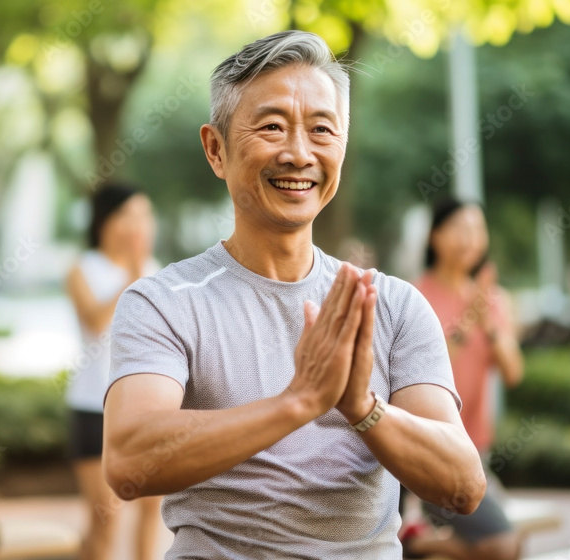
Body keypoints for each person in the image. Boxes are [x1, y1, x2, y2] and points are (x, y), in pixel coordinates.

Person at [102, 31, 486, 558]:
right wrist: (299, 402)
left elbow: (463, 486)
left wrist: (361, 406)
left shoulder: (393, 305)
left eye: (322, 129)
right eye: (272, 127)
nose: (299, 153)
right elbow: (128, 459)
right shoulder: (164, 302)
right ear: (216, 149)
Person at [406, 199, 525, 560]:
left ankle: (416, 543)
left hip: (477, 449)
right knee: (502, 544)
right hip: (433, 449)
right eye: (460, 229)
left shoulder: (494, 299)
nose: (470, 239)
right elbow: (425, 366)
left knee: (508, 542)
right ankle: (411, 544)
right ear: (435, 236)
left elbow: (514, 372)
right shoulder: (414, 296)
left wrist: (487, 322)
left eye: (477, 230)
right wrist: (466, 321)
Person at [65, 184, 163, 560]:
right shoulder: (83, 268)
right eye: (128, 215)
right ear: (105, 220)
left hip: (147, 412)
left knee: (153, 509)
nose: (138, 225)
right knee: (105, 518)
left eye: (144, 215)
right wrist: (133, 276)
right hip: (93, 408)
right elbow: (95, 322)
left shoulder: (157, 272)